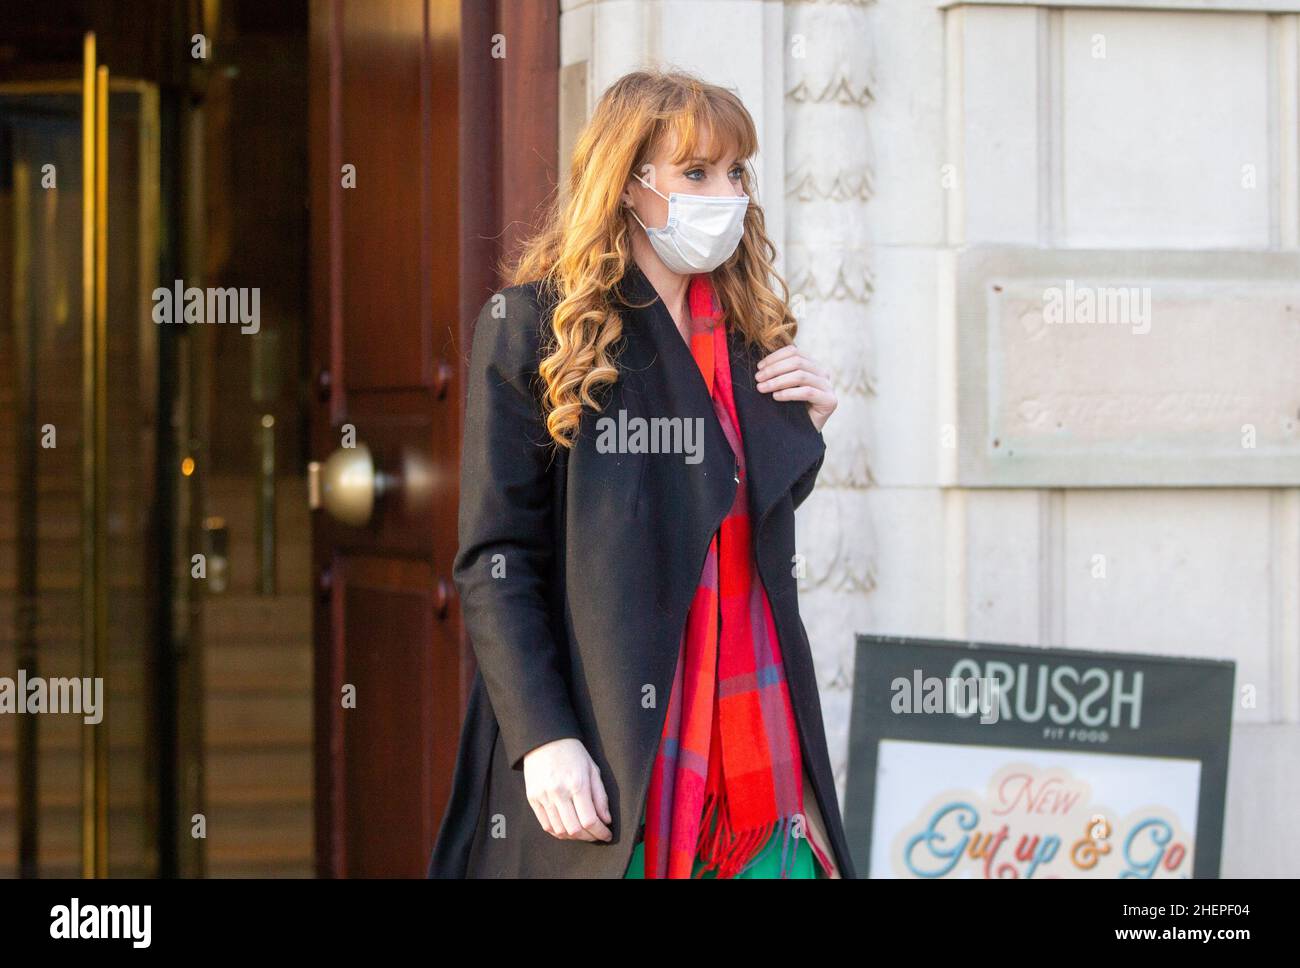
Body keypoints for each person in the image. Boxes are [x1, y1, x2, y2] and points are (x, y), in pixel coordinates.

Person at [427, 68, 853, 878]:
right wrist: (544, 737)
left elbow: (730, 524)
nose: (724, 194)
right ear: (628, 185)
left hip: (755, 739)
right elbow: (497, 559)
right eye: (696, 173)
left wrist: (803, 435)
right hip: (609, 728)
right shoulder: (532, 328)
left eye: (735, 173)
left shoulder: (747, 332)